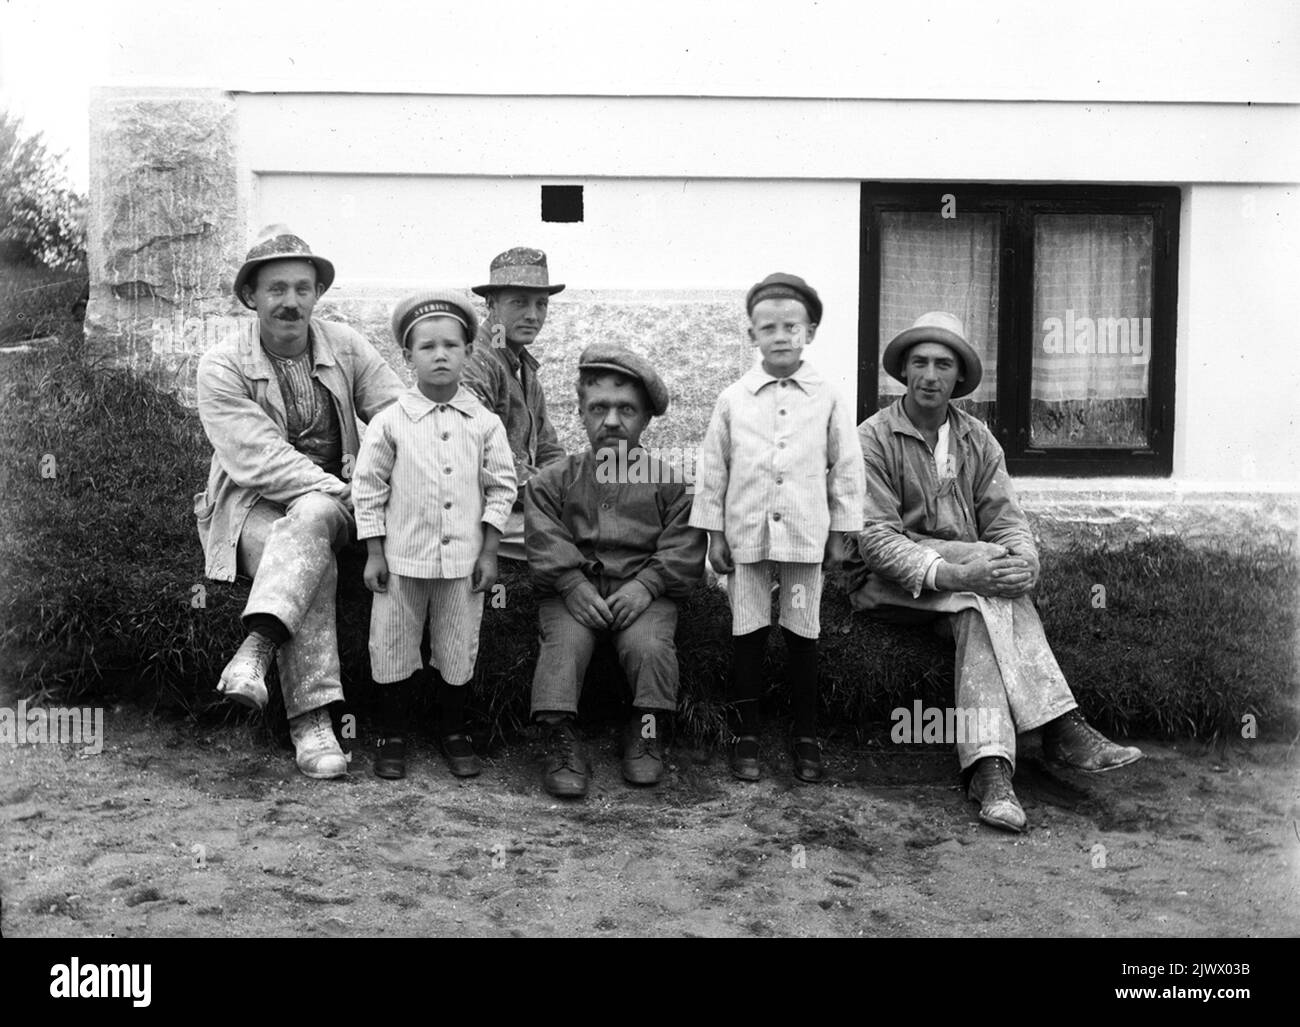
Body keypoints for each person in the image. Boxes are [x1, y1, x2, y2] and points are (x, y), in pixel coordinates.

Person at [846, 310, 1143, 832]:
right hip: (887, 586)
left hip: (965, 587)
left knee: (984, 608)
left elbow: (1007, 522)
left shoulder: (977, 439)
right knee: (979, 593)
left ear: (959, 376)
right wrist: (962, 569)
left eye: (943, 364)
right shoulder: (871, 439)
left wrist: (1021, 567)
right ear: (903, 372)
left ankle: (992, 772)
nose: (930, 376)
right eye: (919, 363)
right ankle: (1059, 728)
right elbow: (875, 541)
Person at [195, 225, 405, 779]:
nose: (291, 302)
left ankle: (257, 651)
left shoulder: (345, 345)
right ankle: (311, 723)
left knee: (312, 519)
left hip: (330, 501)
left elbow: (396, 415)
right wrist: (348, 494)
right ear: (251, 297)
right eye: (276, 289)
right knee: (308, 546)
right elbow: (259, 460)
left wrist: (380, 465)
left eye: (302, 288)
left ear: (317, 293)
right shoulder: (222, 365)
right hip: (251, 507)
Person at [690, 273, 866, 784]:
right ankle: (747, 734)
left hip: (805, 538)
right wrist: (714, 535)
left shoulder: (827, 398)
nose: (781, 336)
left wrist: (840, 533)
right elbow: (713, 469)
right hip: (747, 538)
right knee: (747, 631)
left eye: (792, 326)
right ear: (752, 336)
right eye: (769, 328)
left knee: (800, 631)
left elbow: (846, 466)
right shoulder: (734, 400)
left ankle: (804, 735)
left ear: (810, 331)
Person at [525, 344, 705, 798]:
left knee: (649, 645)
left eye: (627, 410)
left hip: (642, 594)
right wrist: (569, 583)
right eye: (598, 408)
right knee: (563, 644)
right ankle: (560, 738)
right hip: (574, 594)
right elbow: (544, 538)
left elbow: (684, 545)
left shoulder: (670, 484)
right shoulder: (553, 481)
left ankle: (646, 731)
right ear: (580, 413)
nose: (611, 421)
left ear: (645, 419)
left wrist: (648, 585)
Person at [352, 290, 516, 780]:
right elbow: (368, 487)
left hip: (463, 565)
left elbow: (501, 486)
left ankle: (453, 730)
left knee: (457, 647)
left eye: (451, 345)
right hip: (403, 561)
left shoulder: (484, 424)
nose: (440, 354)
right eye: (427, 347)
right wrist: (374, 553)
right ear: (408, 358)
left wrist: (489, 550)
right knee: (393, 645)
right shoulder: (390, 423)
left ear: (468, 352)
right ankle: (392, 734)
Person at [462, 247, 568, 561]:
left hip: (519, 504)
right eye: (519, 302)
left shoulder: (521, 366)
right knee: (588, 539)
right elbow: (484, 460)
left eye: (541, 303)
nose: (533, 315)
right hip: (482, 514)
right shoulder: (475, 362)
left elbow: (549, 449)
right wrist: (557, 496)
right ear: (491, 304)